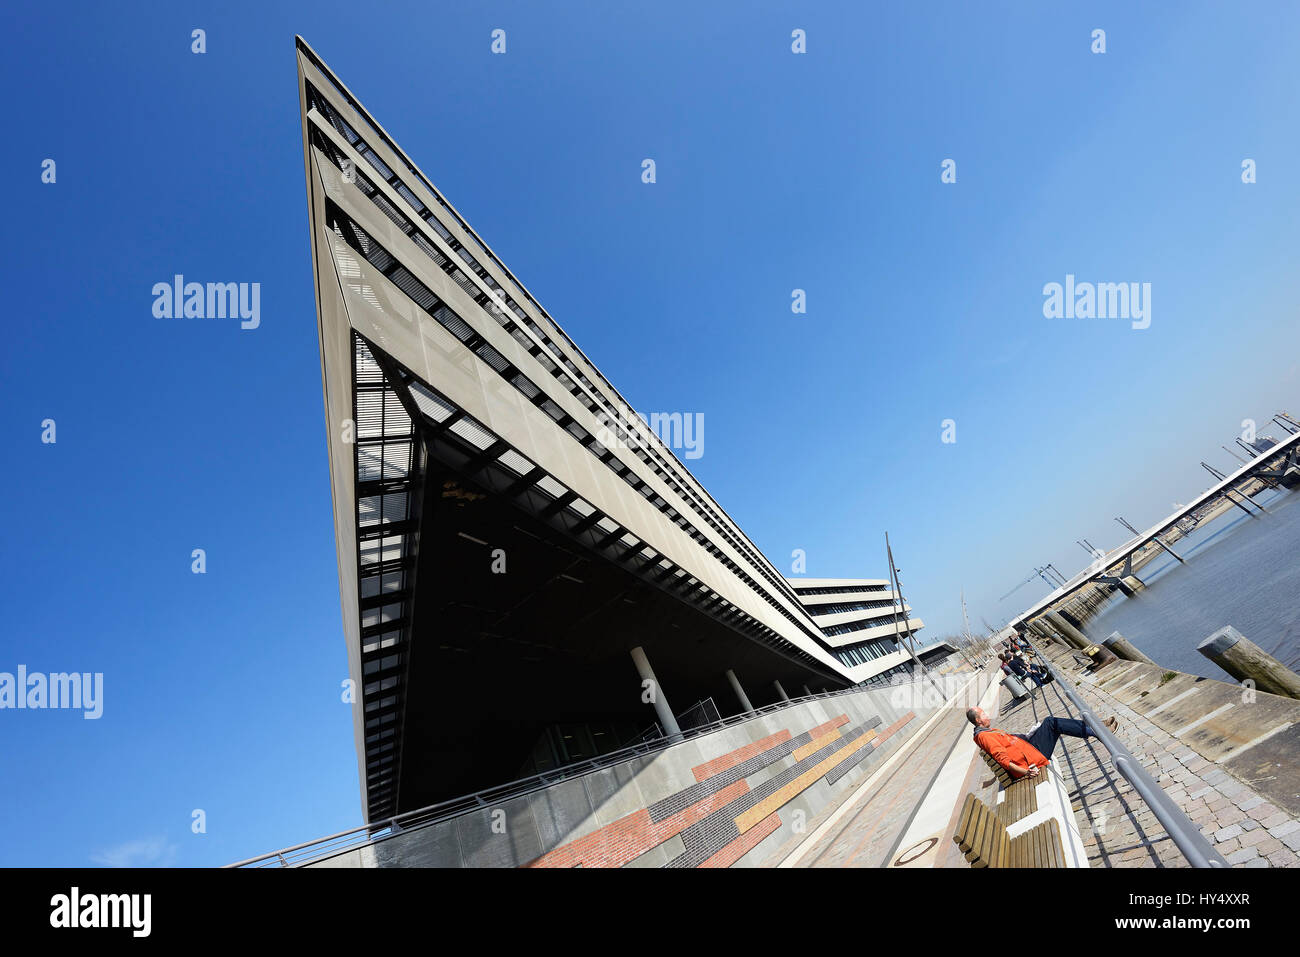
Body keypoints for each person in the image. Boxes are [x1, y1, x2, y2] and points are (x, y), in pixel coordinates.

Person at [966, 706, 1118, 779]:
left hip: (1028, 748)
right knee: (1051, 723)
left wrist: (1029, 734)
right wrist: (1027, 772)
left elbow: (1009, 745)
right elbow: (1003, 760)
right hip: (1032, 759)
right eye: (984, 713)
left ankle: (1096, 728)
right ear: (978, 720)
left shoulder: (987, 732)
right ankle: (1097, 730)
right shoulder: (984, 736)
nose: (987, 714)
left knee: (1049, 722)